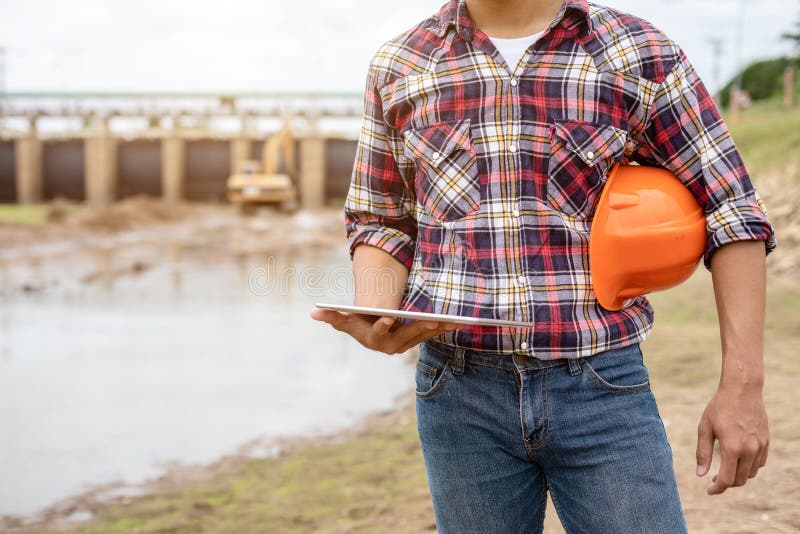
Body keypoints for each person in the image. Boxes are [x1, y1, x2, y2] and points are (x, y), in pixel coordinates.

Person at [311, 0, 777, 531]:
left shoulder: (638, 51)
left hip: (602, 385)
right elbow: (381, 220)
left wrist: (743, 385)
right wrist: (378, 310)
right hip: (457, 394)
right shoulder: (400, 65)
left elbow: (732, 211)